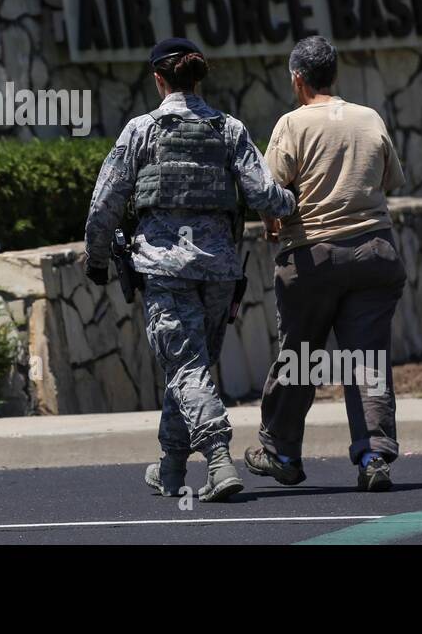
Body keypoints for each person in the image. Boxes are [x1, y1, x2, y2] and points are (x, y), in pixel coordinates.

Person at [84, 37, 297, 502]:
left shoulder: (141, 130)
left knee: (186, 370)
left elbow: (104, 205)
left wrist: (97, 259)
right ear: (197, 76)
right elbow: (265, 196)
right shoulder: (229, 129)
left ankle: (219, 460)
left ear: (158, 79)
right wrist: (299, 201)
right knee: (191, 370)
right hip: (219, 274)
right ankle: (171, 468)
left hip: (166, 271)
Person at [244, 36, 407, 492]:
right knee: (369, 359)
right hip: (375, 253)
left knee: (299, 359)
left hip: (311, 259)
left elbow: (270, 192)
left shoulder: (291, 125)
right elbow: (391, 178)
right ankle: (374, 456)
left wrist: (274, 224)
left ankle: (282, 454)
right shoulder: (368, 118)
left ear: (298, 78)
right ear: (334, 76)